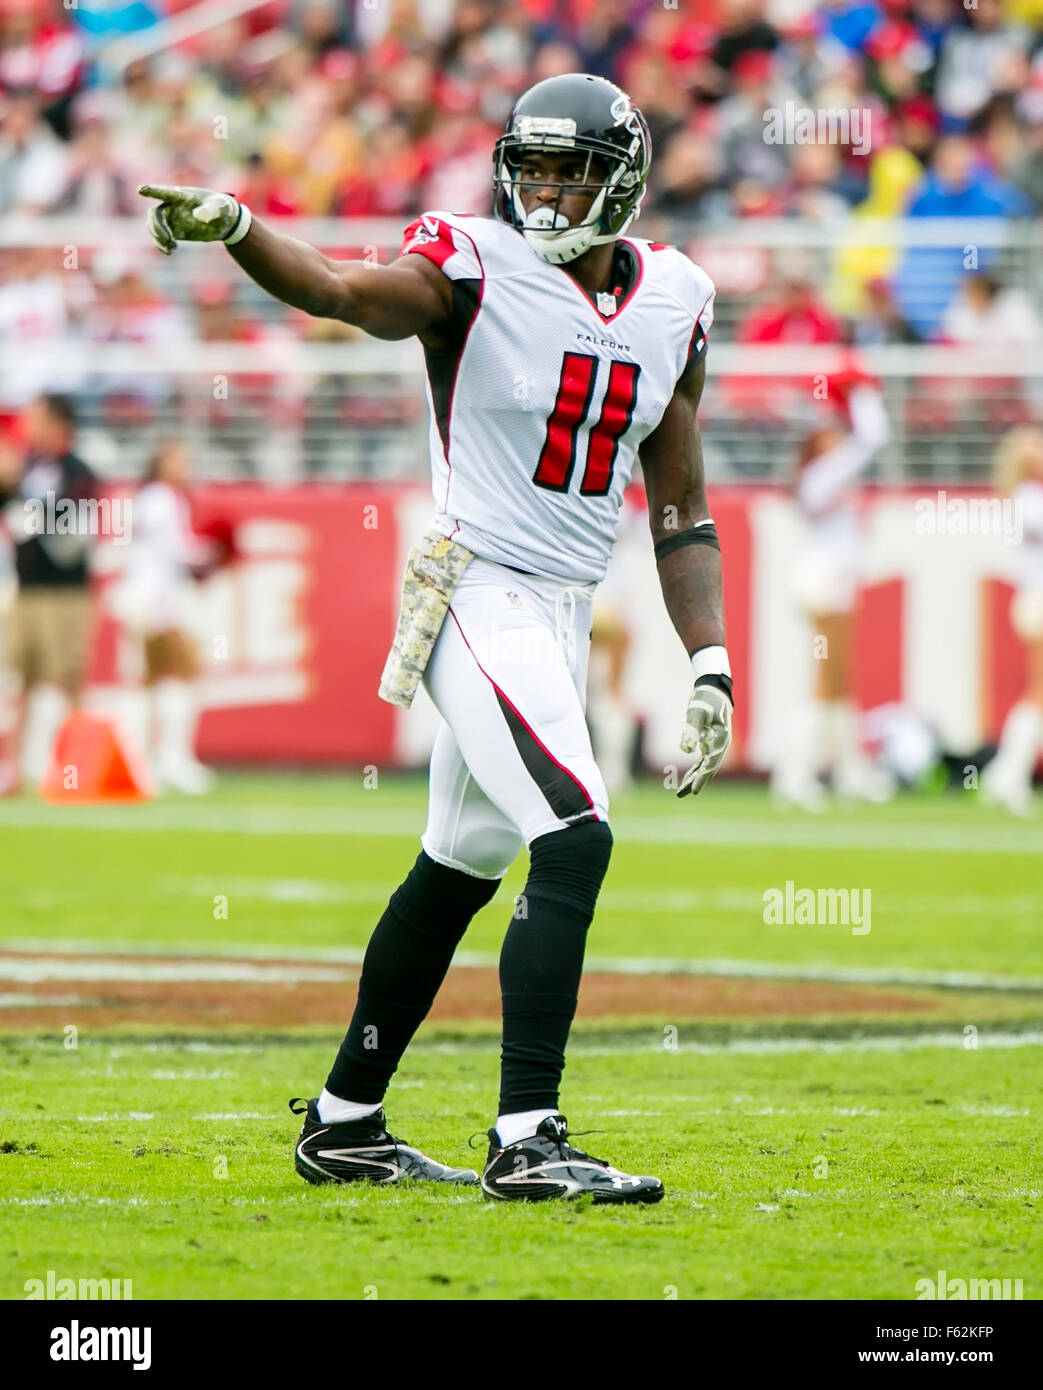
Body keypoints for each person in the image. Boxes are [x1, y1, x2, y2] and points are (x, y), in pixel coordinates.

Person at [139, 72, 732, 1204]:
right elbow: (341, 292)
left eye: (572, 171)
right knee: (572, 835)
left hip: (560, 603)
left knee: (458, 864)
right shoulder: (471, 261)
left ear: (625, 182)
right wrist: (241, 226)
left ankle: (343, 1121)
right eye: (534, 167)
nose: (547, 192)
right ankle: (527, 1134)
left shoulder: (677, 299)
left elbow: (678, 500)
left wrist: (706, 656)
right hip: (478, 586)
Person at [771, 367, 894, 812]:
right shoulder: (821, 476)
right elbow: (873, 438)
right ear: (816, 446)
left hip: (834, 584)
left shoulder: (825, 475)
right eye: (829, 436)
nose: (838, 440)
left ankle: (851, 772)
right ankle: (793, 774)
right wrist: (861, 392)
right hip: (821, 585)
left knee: (840, 682)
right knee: (825, 680)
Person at [108, 439, 221, 795]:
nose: (183, 468)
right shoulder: (162, 498)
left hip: (145, 597)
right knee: (178, 674)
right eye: (176, 461)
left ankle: (147, 759)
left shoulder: (151, 498)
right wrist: (211, 555)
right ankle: (169, 758)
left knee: (151, 678)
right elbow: (172, 551)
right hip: (153, 601)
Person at [0, 393, 97, 793]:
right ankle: (15, 769)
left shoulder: (78, 471)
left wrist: (20, 498)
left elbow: (65, 528)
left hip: (65, 594)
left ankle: (75, 768)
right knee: (20, 679)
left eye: (36, 418)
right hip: (28, 590)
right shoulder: (26, 467)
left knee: (66, 678)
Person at [982, 427, 1043, 816]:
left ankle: (1005, 775)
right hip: (1038, 601)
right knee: (1037, 693)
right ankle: (1008, 776)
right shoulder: (1027, 498)